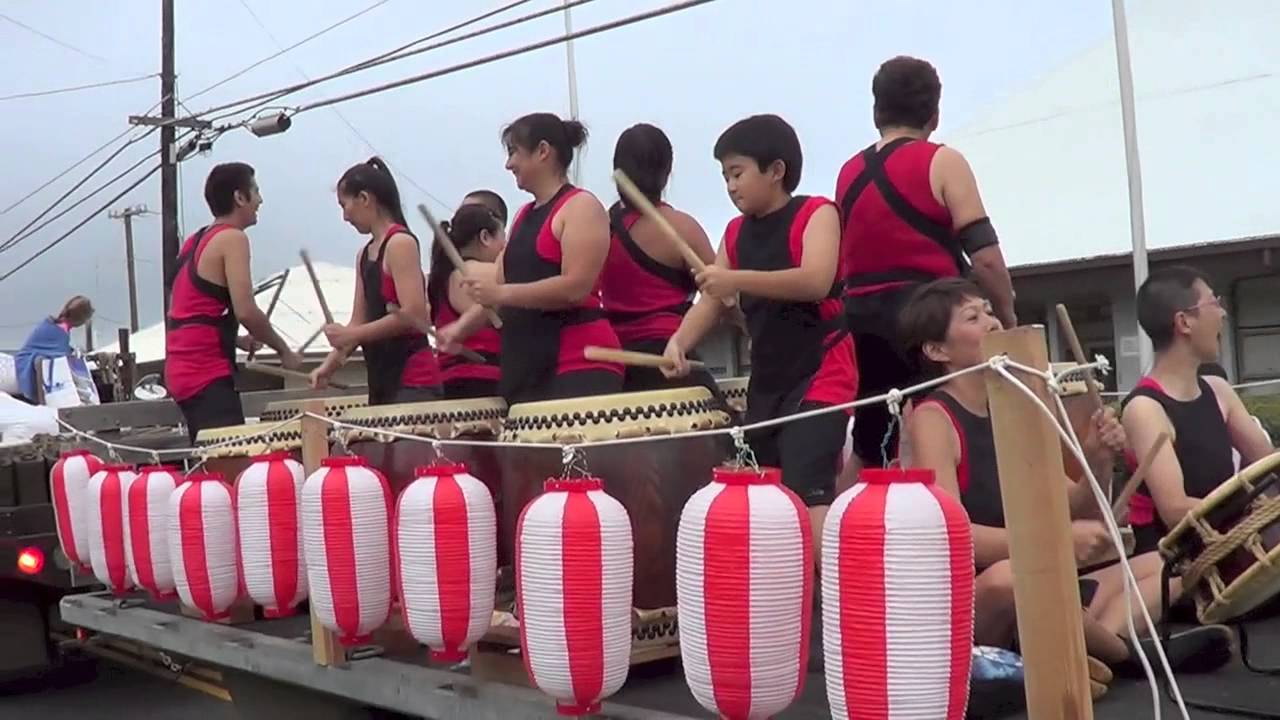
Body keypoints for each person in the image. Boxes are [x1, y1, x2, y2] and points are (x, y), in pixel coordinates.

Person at [900, 278, 1231, 673]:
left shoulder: (1017, 406)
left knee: (1168, 565)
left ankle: (1090, 651)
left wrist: (1097, 455)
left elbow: (1074, 508)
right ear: (937, 350)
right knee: (1011, 577)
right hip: (982, 599)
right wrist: (1054, 542)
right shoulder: (933, 418)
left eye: (990, 311)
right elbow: (954, 535)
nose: (992, 322)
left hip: (1045, 578)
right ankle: (1128, 658)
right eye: (974, 317)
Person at [663, 114, 856, 556]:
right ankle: (784, 597)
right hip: (768, 376)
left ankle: (836, 599)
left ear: (776, 170)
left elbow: (815, 281)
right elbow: (711, 299)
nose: (731, 186)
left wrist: (736, 281)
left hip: (822, 369)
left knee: (809, 490)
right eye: (725, 177)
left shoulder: (817, 213)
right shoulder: (734, 233)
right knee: (764, 492)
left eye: (738, 173)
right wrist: (679, 342)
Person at [836, 55, 1015, 479]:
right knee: (941, 427)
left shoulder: (848, 173)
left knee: (870, 442)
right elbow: (985, 257)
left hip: (862, 321)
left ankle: (850, 532)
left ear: (876, 111)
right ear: (933, 114)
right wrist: (1006, 315)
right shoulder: (942, 161)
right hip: (929, 316)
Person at [464, 112, 623, 404]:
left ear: (542, 151)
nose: (508, 164)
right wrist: (457, 331)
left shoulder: (581, 207)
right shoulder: (523, 216)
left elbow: (575, 287)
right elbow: (498, 291)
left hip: (577, 363)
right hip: (526, 366)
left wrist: (499, 292)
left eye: (514, 152)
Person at [1120, 266, 1274, 554]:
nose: (1223, 314)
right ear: (1184, 322)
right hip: (1179, 567)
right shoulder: (1145, 408)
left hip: (1231, 544)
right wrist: (1249, 514)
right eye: (1214, 303)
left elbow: (1268, 465)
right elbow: (1176, 509)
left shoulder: (1218, 389)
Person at [165, 163, 300, 442]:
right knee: (227, 468)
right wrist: (284, 351)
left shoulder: (196, 240)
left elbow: (192, 307)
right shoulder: (232, 239)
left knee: (211, 463)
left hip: (180, 368)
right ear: (240, 197)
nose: (260, 200)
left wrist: (236, 340)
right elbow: (247, 312)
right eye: (256, 192)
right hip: (204, 372)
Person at [310, 157, 442, 404]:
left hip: (413, 380)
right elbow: (358, 321)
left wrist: (353, 334)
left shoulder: (400, 243)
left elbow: (414, 314)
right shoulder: (363, 255)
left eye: (344, 205)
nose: (345, 216)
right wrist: (329, 366)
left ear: (364, 198)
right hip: (381, 377)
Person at [600, 123, 721, 394]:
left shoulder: (597, 228)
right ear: (666, 171)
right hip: (671, 352)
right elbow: (722, 296)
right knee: (729, 432)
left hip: (613, 363)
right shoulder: (682, 227)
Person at [430, 204, 506, 399]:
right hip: (482, 377)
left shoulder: (443, 276)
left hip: (449, 377)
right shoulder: (483, 272)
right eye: (502, 240)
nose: (503, 248)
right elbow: (514, 272)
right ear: (485, 237)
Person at [14, 296, 95, 403]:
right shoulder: (60, 332)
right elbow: (57, 356)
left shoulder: (55, 326)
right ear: (80, 319)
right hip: (25, 365)